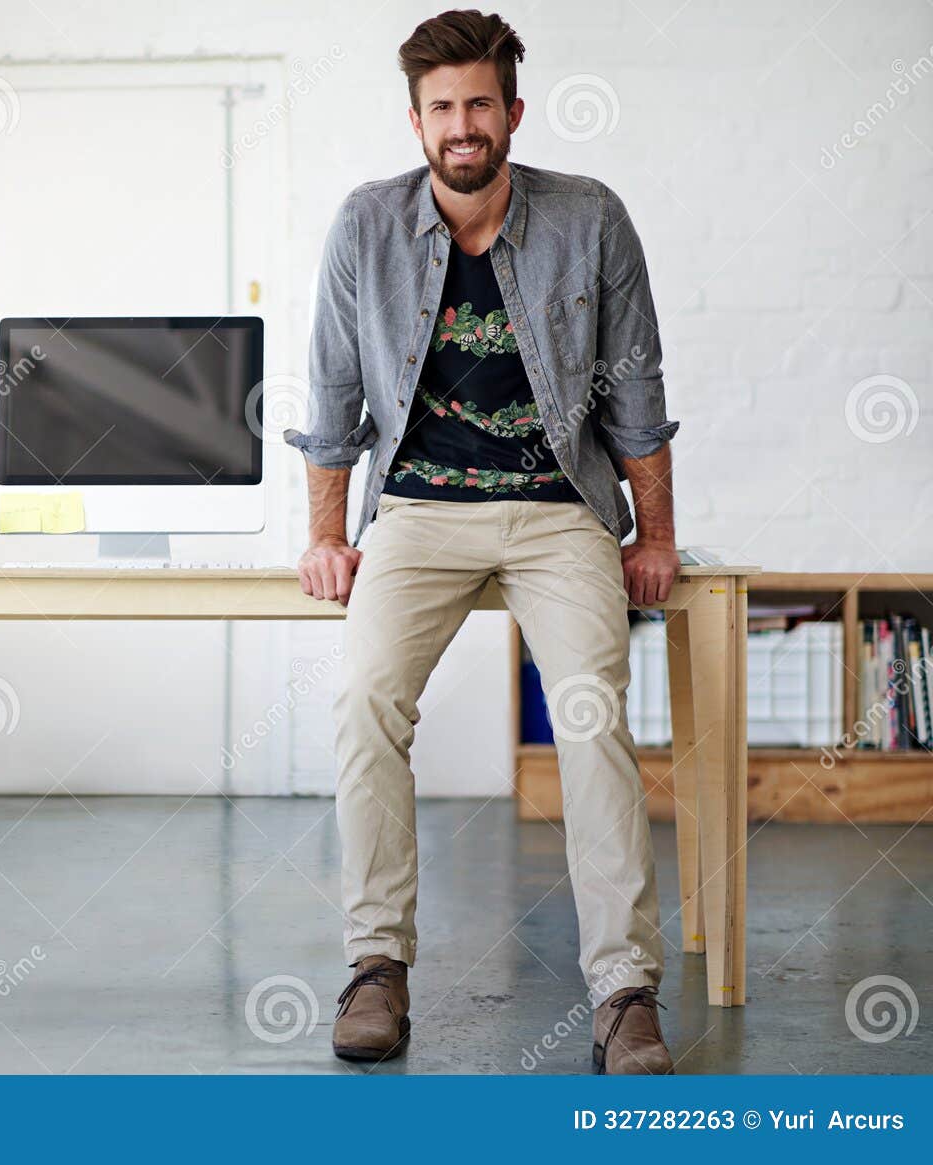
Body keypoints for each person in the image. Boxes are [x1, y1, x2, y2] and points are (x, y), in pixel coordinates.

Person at [285, 8, 679, 1074]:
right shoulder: (365, 226)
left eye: (478, 104)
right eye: (440, 107)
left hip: (559, 511)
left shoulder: (589, 218)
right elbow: (329, 393)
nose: (461, 126)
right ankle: (376, 966)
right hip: (416, 509)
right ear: (415, 121)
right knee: (364, 697)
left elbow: (636, 387)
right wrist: (327, 534)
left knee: (590, 714)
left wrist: (654, 534)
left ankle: (622, 990)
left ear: (512, 110)